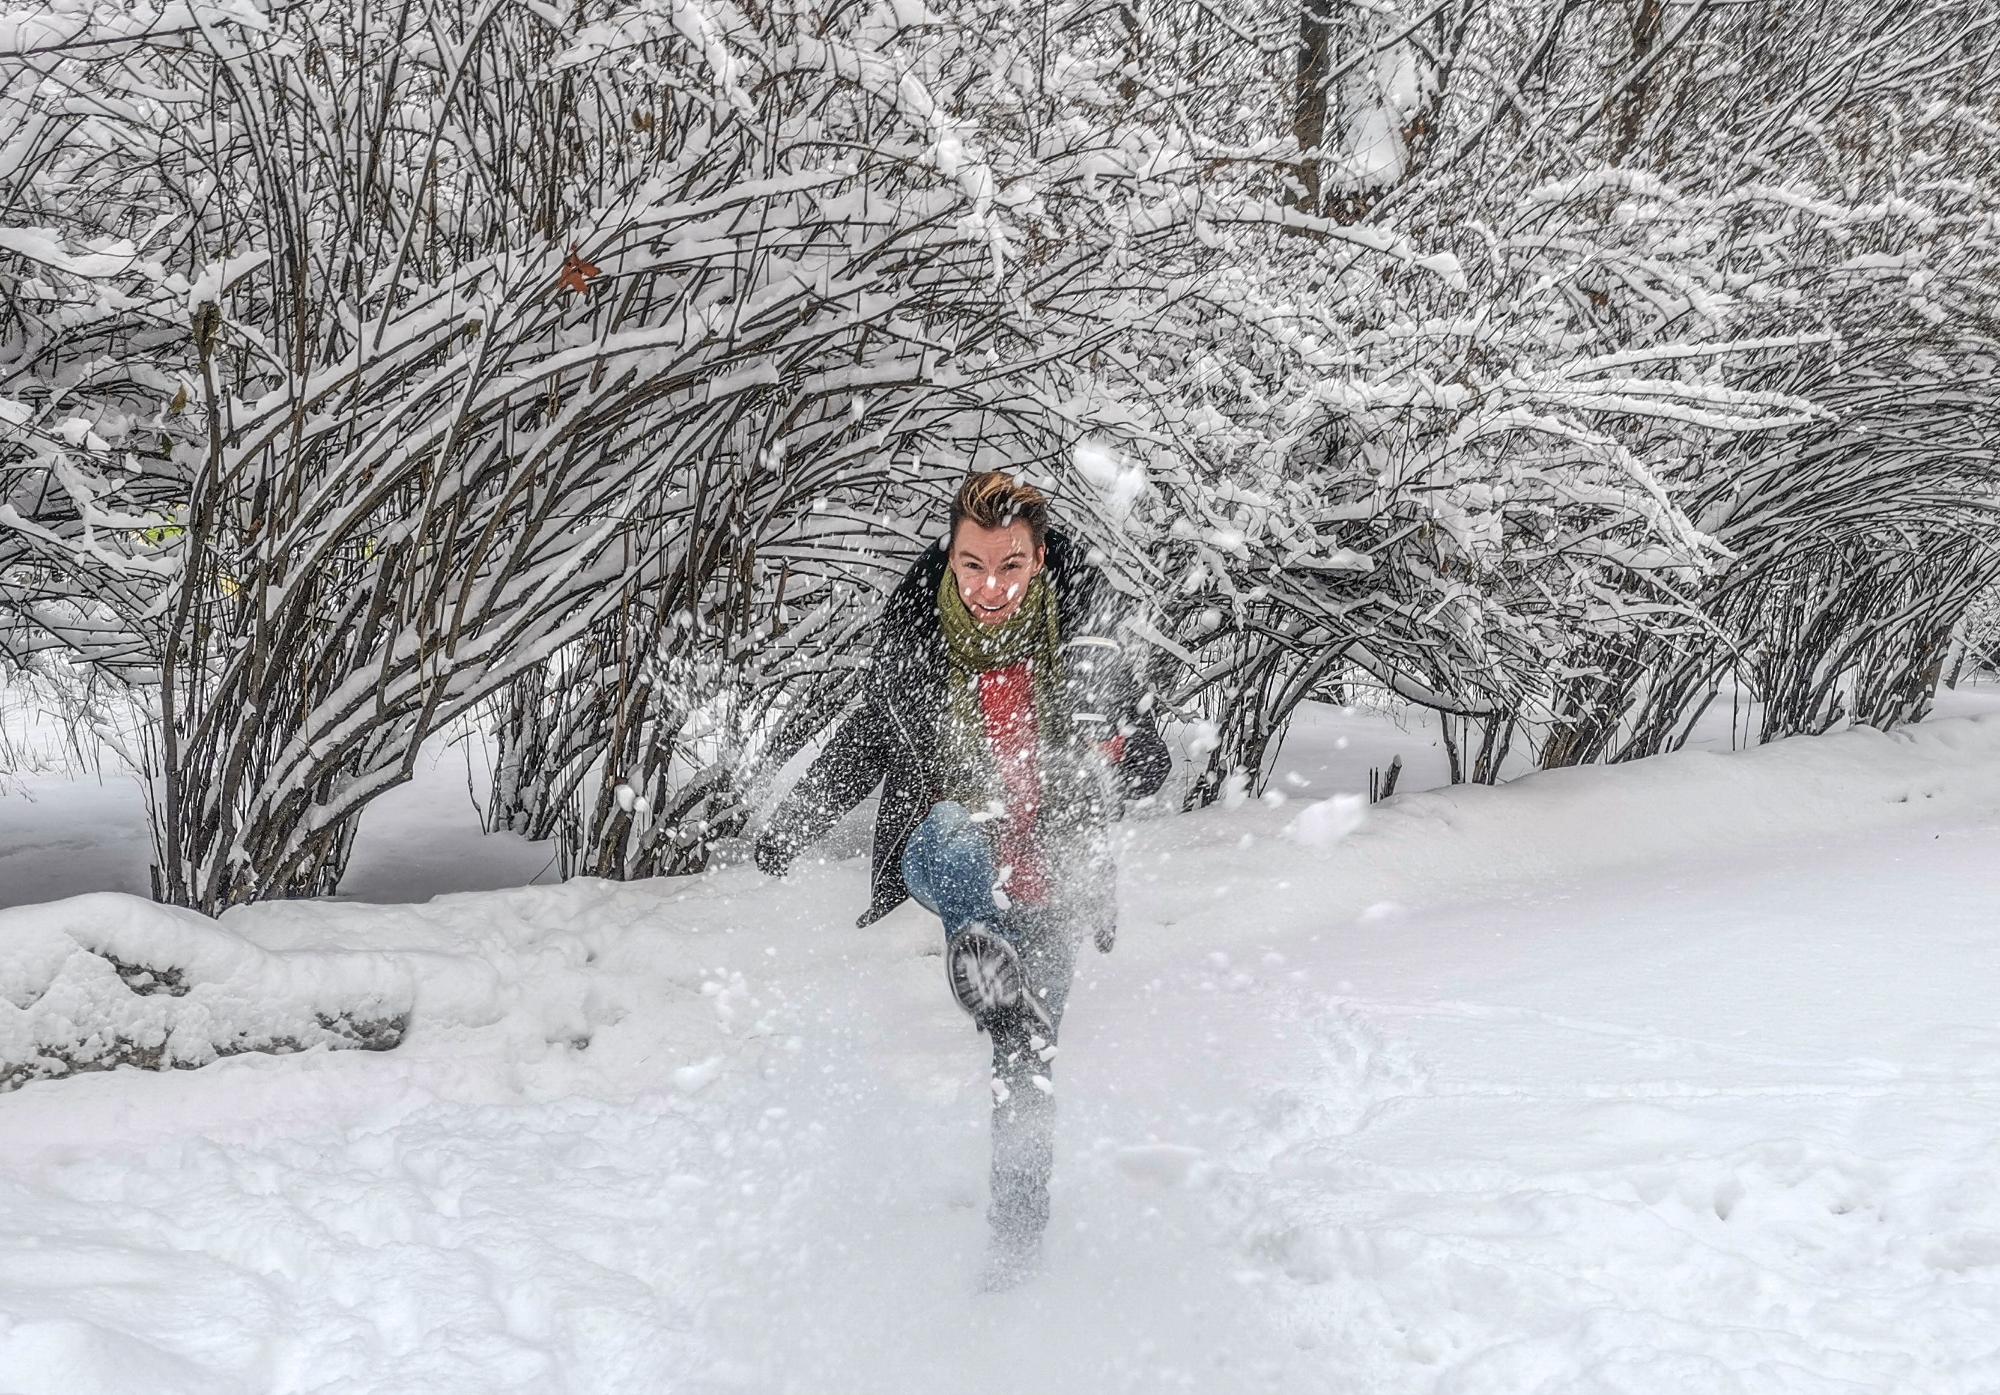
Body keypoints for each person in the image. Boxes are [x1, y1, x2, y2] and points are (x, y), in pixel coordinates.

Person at [754, 469, 1171, 1286]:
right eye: (972, 563)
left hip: (1048, 882)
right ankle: (981, 952)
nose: (988, 586)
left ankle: (1016, 1245)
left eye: (1010, 566)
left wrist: (1110, 751)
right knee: (952, 830)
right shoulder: (918, 643)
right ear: (950, 553)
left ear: (1040, 559)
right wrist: (788, 828)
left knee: (1026, 1063)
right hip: (946, 856)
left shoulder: (1088, 650)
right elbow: (863, 747)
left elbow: (1151, 763)